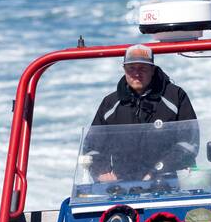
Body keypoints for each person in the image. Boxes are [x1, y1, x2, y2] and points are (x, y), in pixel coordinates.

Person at [82, 44, 198, 182]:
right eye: (131, 68)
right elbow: (92, 148)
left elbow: (189, 144)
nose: (137, 74)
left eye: (142, 68)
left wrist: (157, 171)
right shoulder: (110, 103)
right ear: (124, 70)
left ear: (153, 70)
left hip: (169, 182)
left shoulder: (176, 96)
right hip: (122, 187)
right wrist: (101, 172)